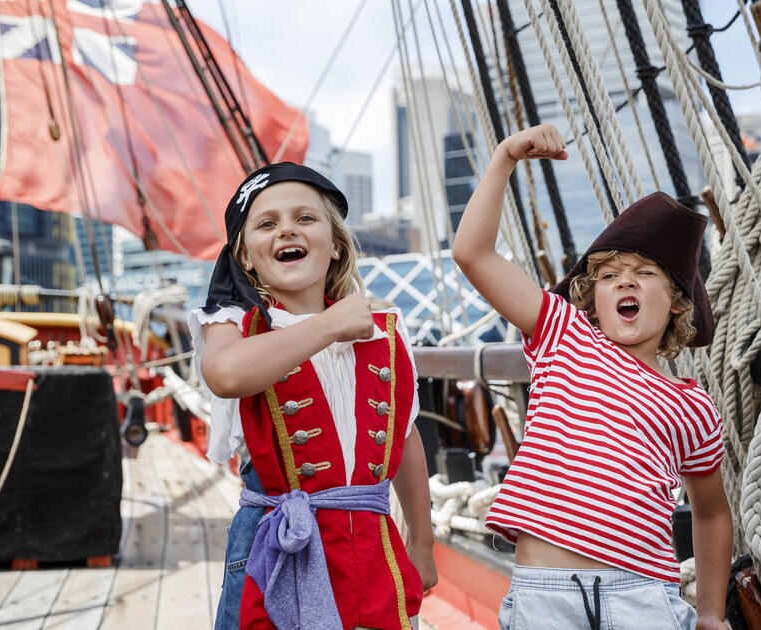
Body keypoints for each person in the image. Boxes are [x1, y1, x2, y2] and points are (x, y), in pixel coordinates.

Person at [452, 124, 731, 630]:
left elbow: (711, 512)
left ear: (676, 306)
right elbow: (474, 255)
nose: (626, 279)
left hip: (644, 597)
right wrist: (504, 160)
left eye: (647, 273)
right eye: (608, 275)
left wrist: (711, 612)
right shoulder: (565, 337)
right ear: (593, 304)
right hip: (546, 597)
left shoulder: (694, 407)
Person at [190, 163, 437, 630]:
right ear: (244, 256)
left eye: (305, 218)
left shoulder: (385, 334)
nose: (287, 229)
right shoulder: (233, 325)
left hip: (371, 545)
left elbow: (403, 441)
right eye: (266, 224)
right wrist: (331, 325)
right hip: (277, 548)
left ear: (337, 243)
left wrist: (421, 544)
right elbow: (225, 374)